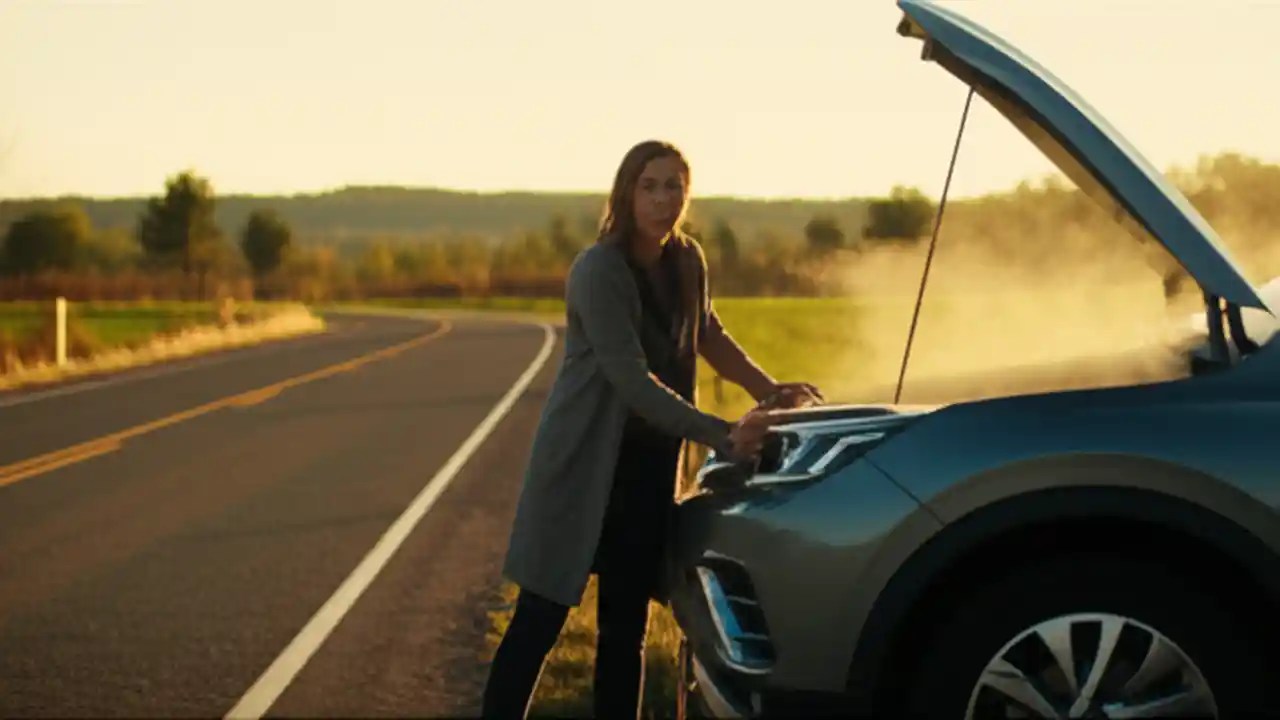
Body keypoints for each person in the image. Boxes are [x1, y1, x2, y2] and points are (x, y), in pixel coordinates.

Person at [481, 139, 824, 719]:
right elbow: (631, 382)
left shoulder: (688, 260)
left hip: (647, 471)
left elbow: (707, 332)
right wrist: (722, 433)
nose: (664, 199)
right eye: (650, 186)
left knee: (625, 629)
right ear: (626, 193)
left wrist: (769, 391)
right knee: (539, 619)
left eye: (674, 186)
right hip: (584, 466)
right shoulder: (598, 270)